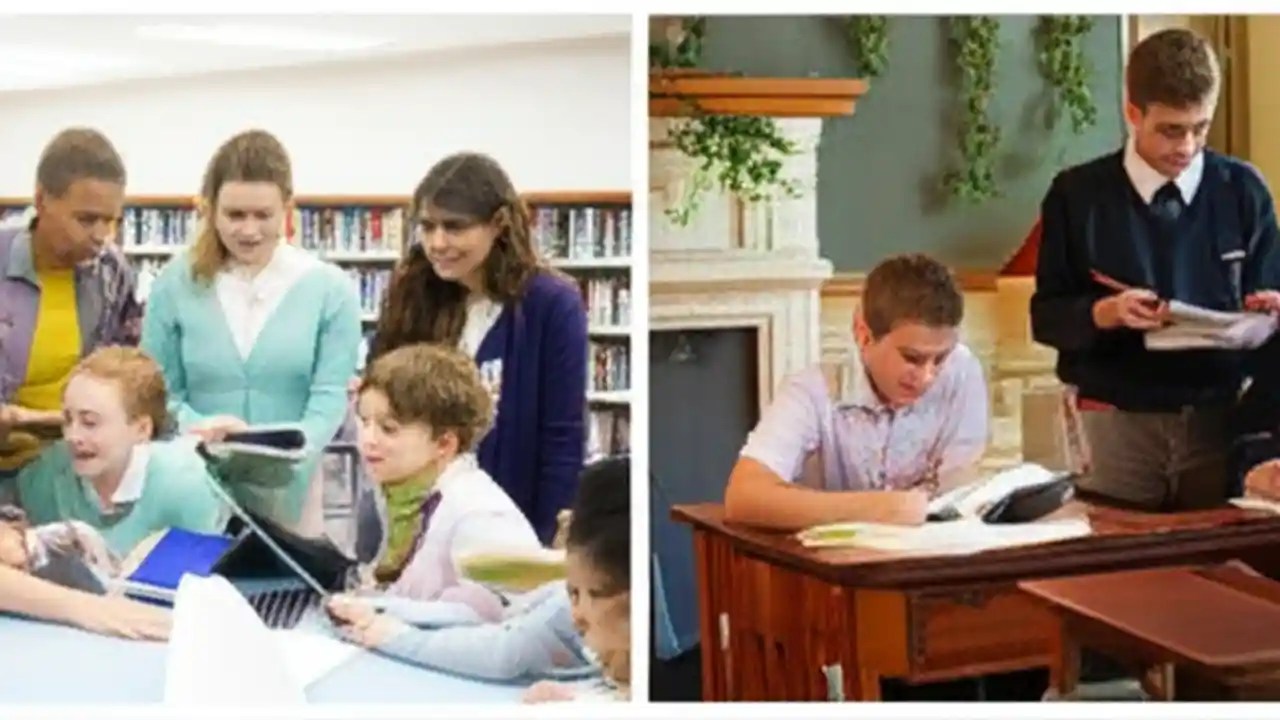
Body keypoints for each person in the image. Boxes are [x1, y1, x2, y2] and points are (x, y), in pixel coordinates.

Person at [1030, 28, 1280, 512]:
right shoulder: (1077, 195)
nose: (1187, 146)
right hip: (1115, 424)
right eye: (1171, 129)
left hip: (1219, 422)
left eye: (1200, 128)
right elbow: (1046, 316)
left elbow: (1272, 301)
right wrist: (1105, 312)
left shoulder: (1244, 191)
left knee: (1214, 571)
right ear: (1132, 113)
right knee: (1115, 571)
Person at [140, 129, 361, 535]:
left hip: (294, 494)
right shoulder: (173, 284)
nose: (249, 230)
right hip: (192, 484)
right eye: (235, 215)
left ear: (288, 210)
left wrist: (284, 450)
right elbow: (156, 390)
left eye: (263, 215)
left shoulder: (330, 290)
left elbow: (329, 398)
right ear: (209, 209)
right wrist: (205, 429)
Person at [369, 152, 589, 544]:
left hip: (510, 522)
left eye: (455, 228)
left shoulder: (552, 304)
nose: (438, 243)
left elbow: (562, 438)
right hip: (413, 523)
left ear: (499, 224)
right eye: (428, 227)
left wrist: (544, 543)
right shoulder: (411, 295)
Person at [325, 455, 631, 701]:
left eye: (390, 428)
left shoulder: (476, 512)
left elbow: (505, 650)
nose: (369, 440)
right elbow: (496, 618)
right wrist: (380, 611)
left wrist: (388, 633)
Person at [723, 253, 990, 531]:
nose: (927, 376)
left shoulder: (962, 371)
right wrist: (881, 508)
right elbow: (744, 496)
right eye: (912, 358)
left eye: (940, 358)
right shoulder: (811, 391)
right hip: (834, 567)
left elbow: (959, 493)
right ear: (863, 334)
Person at [340, 342, 542, 614]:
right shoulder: (383, 495)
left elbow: (497, 624)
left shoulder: (482, 517)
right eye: (364, 422)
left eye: (389, 429)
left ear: (445, 444)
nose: (368, 440)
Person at [0, 127, 139, 474]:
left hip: (71, 467)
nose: (100, 235)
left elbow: (124, 374)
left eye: (110, 221)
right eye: (86, 219)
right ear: (42, 199)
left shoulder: (112, 273)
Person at [9, 347, 228, 556]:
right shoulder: (46, 476)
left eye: (90, 422)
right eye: (68, 420)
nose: (73, 436)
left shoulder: (185, 485)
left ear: (142, 429)